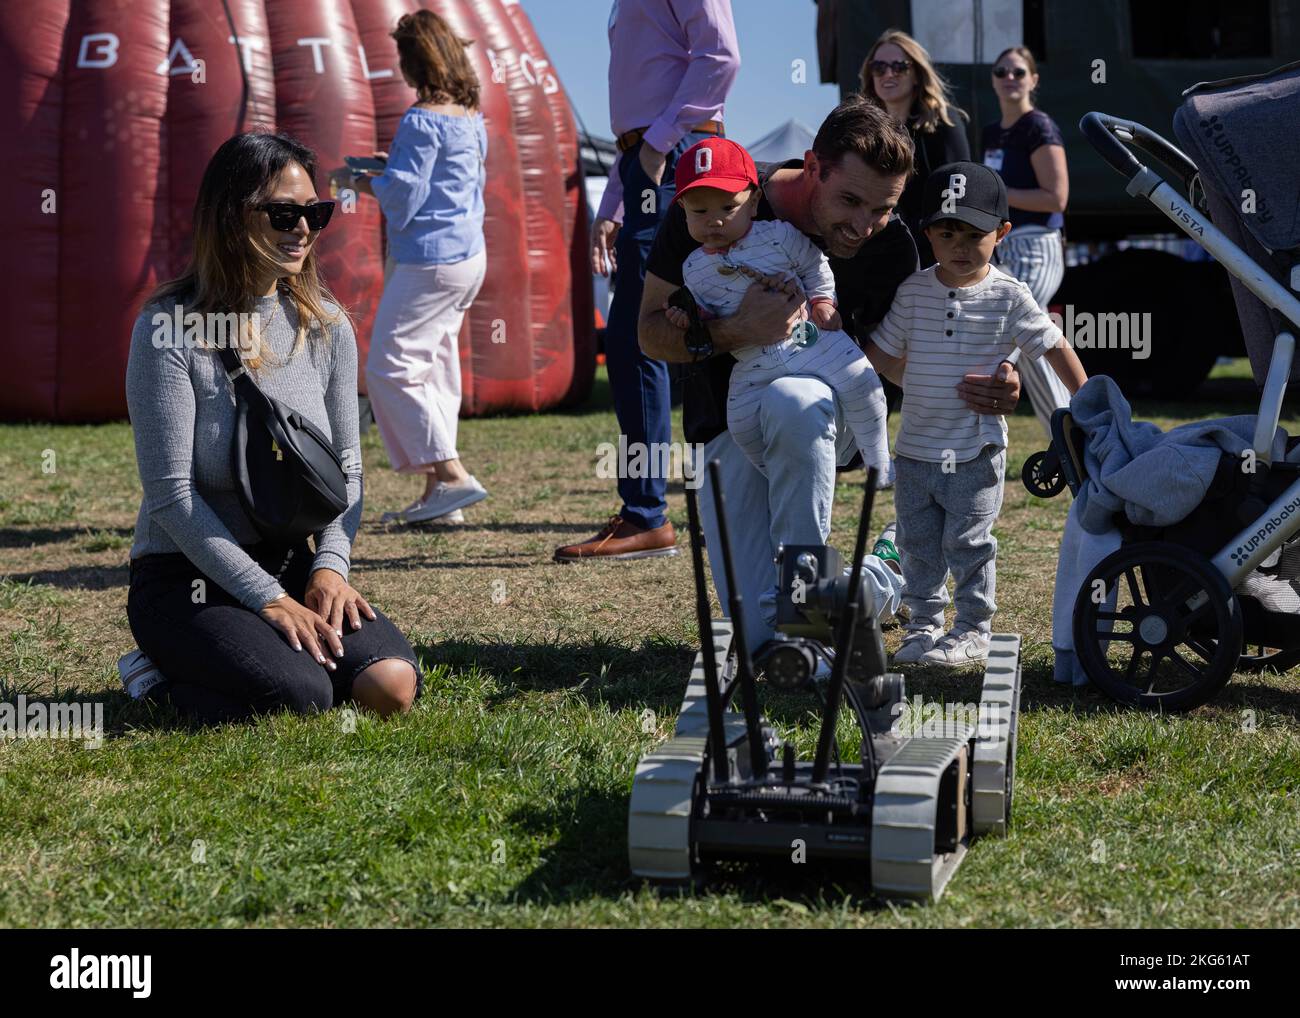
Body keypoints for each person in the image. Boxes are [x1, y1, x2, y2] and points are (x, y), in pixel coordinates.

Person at [638, 96, 1024, 656]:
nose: (863, 225)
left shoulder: (892, 248)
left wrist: (998, 372)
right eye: (850, 200)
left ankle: (808, 618)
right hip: (728, 415)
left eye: (882, 208)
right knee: (754, 638)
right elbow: (648, 333)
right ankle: (885, 571)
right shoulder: (716, 199)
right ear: (812, 166)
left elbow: (918, 339)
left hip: (828, 410)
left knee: (796, 401)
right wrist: (734, 330)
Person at [122, 131, 421, 724]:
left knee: (391, 687)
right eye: (284, 213)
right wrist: (270, 601)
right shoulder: (168, 331)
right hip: (185, 573)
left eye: (316, 212)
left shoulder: (327, 325)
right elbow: (172, 499)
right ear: (232, 218)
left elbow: (348, 468)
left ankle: (253, 653)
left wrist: (330, 567)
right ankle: (152, 675)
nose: (303, 228)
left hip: (289, 557)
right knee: (298, 696)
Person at [865, 162, 1087, 667]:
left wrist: (1088, 399)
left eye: (974, 234)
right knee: (917, 544)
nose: (959, 246)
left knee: (968, 542)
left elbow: (1052, 345)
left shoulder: (1010, 295)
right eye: (947, 233)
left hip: (975, 448)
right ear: (927, 234)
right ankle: (923, 626)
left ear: (1002, 233)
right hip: (915, 447)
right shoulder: (914, 291)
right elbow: (879, 356)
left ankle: (972, 629)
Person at [555, 0, 740, 562]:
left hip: (673, 153)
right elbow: (641, 118)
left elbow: (722, 58)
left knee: (643, 337)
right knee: (664, 329)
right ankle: (686, 505)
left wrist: (657, 146)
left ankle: (646, 515)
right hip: (650, 158)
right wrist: (614, 202)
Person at [331, 10, 488, 526]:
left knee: (388, 368)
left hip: (429, 261)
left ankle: (452, 474)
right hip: (466, 257)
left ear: (414, 61)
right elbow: (439, 179)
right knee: (436, 369)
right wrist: (392, 163)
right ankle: (441, 499)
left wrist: (359, 181)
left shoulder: (422, 119)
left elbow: (405, 195)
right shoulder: (469, 116)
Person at [665, 136, 890, 485]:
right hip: (751, 361)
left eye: (728, 208)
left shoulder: (778, 235)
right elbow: (705, 313)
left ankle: (878, 460)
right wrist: (689, 318)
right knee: (739, 419)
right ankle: (775, 476)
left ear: (754, 202)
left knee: (862, 381)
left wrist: (823, 301)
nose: (715, 221)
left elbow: (816, 265)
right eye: (700, 212)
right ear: (683, 212)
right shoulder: (693, 268)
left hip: (809, 339)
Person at [981, 45, 1072, 438]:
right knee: (1033, 346)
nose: (1010, 78)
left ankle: (1078, 438)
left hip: (1037, 245)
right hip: (1003, 247)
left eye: (1019, 72)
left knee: (1017, 331)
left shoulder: (1039, 127)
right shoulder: (991, 132)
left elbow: (1056, 198)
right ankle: (1073, 440)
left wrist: (997, 191)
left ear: (1033, 79)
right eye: (1002, 71)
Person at [859, 28, 970, 269]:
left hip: (935, 256)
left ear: (917, 74)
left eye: (899, 66)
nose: (888, 73)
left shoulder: (942, 122)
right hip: (882, 252)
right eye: (879, 67)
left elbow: (959, 194)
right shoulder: (864, 131)